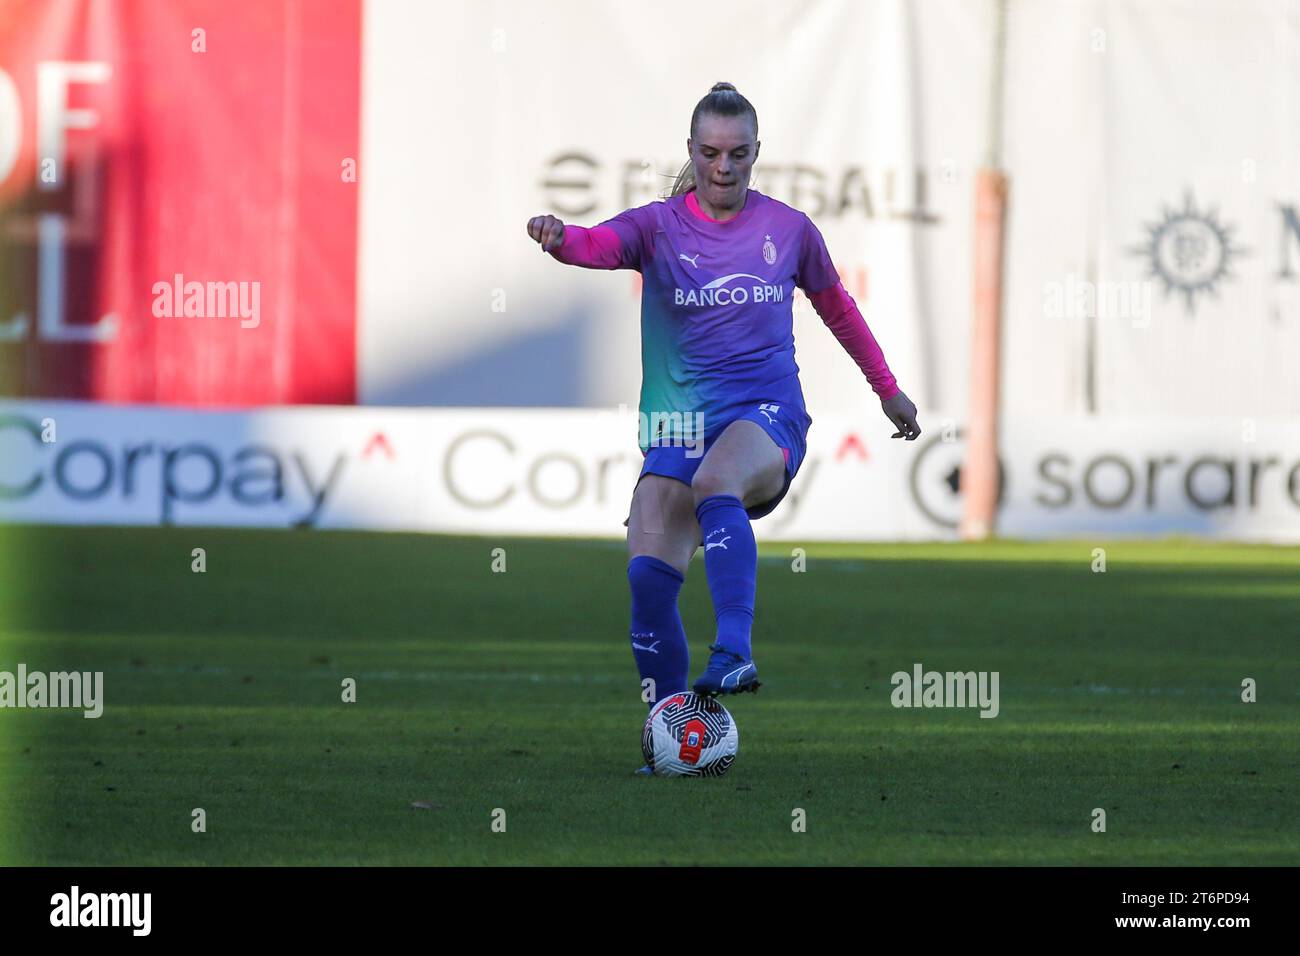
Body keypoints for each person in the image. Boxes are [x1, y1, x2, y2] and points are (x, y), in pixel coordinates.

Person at [526, 82, 920, 755]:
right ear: (691, 150)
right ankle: (669, 734)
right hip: (678, 425)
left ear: (756, 152)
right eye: (710, 152)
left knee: (716, 482)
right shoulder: (657, 226)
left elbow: (839, 310)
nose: (723, 166)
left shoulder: (790, 231)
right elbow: (598, 243)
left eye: (738, 153)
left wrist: (887, 390)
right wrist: (560, 239)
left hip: (765, 414)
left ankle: (735, 647)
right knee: (648, 581)